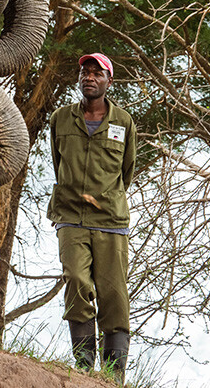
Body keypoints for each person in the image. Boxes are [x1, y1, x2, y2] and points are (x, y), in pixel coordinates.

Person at [47, 52, 138, 383]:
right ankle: (84, 369)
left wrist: (103, 197)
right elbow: (58, 162)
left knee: (113, 293)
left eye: (97, 73)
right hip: (70, 215)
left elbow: (126, 172)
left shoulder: (124, 122)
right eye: (85, 72)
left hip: (110, 220)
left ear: (108, 81)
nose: (89, 77)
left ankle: (113, 376)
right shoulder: (60, 118)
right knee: (76, 280)